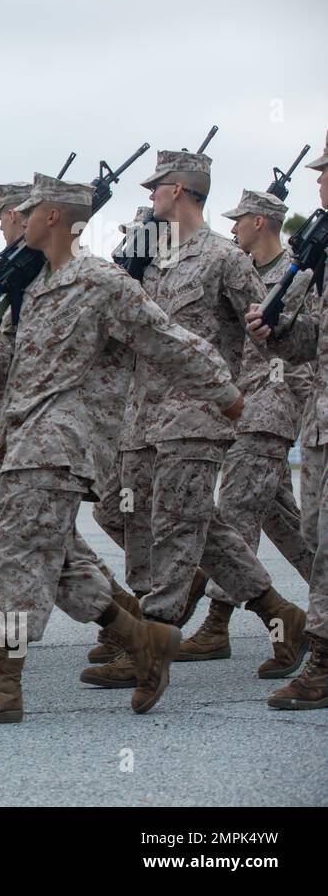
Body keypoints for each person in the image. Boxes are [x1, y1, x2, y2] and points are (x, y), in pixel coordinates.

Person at [0, 173, 245, 724]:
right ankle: (144, 640)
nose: (18, 221)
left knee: (17, 559)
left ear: (52, 215)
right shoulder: (29, 286)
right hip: (22, 438)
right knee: (59, 567)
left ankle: (3, 684)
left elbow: (164, 338)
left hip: (63, 443)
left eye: (27, 212)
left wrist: (223, 391)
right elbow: (6, 364)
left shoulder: (100, 282)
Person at [83, 150, 307, 688]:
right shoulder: (153, 259)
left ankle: (152, 638)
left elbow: (267, 330)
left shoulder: (223, 259)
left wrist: (242, 397)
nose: (150, 197)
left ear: (178, 191)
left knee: (179, 525)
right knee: (142, 516)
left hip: (196, 416)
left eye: (156, 188)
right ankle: (281, 613)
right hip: (142, 417)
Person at [178, 189, 314, 662]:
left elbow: (300, 347)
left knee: (233, 515)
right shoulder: (241, 273)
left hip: (270, 407)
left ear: (260, 221)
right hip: (244, 405)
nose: (233, 226)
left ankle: (217, 625)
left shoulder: (297, 274)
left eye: (240, 219)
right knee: (288, 526)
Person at [244, 128, 328, 709]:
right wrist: (277, 334)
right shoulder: (320, 249)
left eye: (327, 170)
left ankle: (319, 659)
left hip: (304, 413)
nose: (319, 180)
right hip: (319, 417)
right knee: (312, 534)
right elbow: (311, 344)